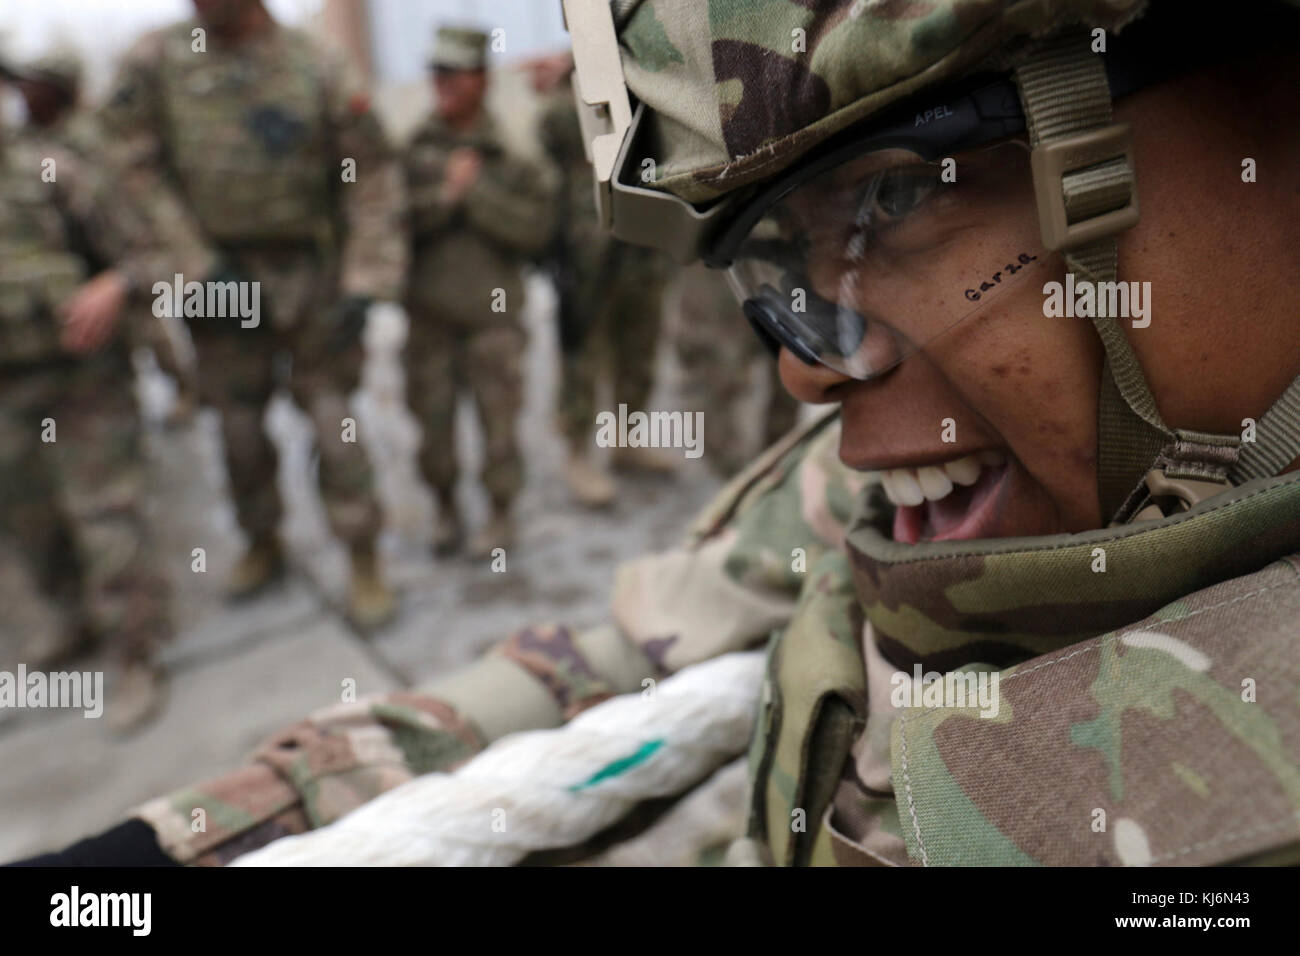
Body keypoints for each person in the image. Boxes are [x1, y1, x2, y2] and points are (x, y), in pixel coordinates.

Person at [19, 0, 1300, 867]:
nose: (808, 375)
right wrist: (168, 848)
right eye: (790, 257)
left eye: (899, 197)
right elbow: (628, 653)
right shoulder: (919, 492)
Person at [97, 0, 408, 628]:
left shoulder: (316, 61)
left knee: (334, 422)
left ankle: (362, 553)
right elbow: (129, 170)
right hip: (217, 279)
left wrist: (365, 280)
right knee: (237, 427)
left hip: (311, 276)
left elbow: (371, 173)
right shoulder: (156, 62)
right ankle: (261, 539)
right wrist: (194, 265)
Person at [0, 58, 186, 731]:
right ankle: (70, 621)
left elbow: (152, 252)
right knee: (28, 520)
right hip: (7, 389)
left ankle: (136, 653)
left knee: (105, 517)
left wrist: (113, 285)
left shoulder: (49, 171)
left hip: (84, 380)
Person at [403, 26, 553, 559]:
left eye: (453, 72)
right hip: (428, 319)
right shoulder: (412, 150)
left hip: (494, 320)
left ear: (482, 79)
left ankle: (500, 513)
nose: (441, 81)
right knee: (433, 426)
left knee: (500, 428)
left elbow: (536, 231)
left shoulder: (512, 153)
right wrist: (444, 196)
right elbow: (388, 224)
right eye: (436, 71)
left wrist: (474, 195)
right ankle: (445, 509)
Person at [13, 47, 200, 427]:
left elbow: (120, 190)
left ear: (59, 90)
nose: (26, 94)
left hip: (111, 251)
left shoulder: (88, 136)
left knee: (150, 330)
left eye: (36, 85)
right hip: (64, 256)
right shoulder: (23, 140)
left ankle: (185, 389)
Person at [532, 54, 677, 509]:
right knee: (583, 355)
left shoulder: (650, 81)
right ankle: (577, 453)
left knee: (639, 346)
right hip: (587, 252)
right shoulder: (565, 104)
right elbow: (551, 143)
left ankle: (626, 440)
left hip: (641, 242)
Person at [671, 263, 801, 477]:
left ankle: (778, 467)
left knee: (796, 358)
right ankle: (741, 477)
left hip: (787, 260)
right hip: (715, 262)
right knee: (713, 372)